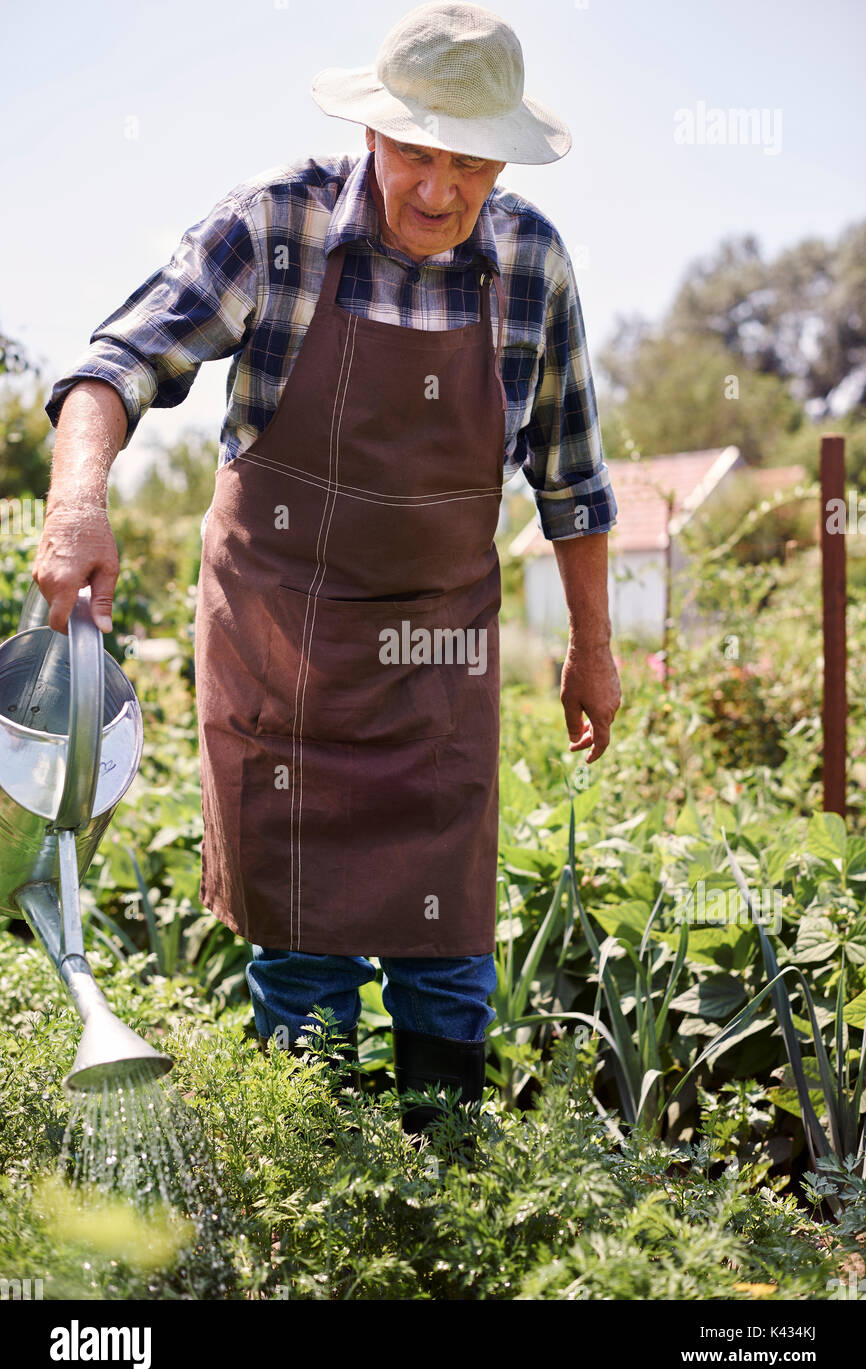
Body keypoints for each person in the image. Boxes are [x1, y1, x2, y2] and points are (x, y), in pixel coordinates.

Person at [37, 1, 621, 1136]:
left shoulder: (531, 261)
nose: (438, 191)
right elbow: (113, 366)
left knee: (445, 948)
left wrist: (592, 647)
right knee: (299, 956)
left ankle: (438, 1194)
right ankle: (318, 1201)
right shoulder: (274, 225)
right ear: (372, 134)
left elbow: (572, 477)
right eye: (415, 155)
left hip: (436, 653)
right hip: (279, 642)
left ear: (501, 154)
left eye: (466, 162)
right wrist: (75, 503)